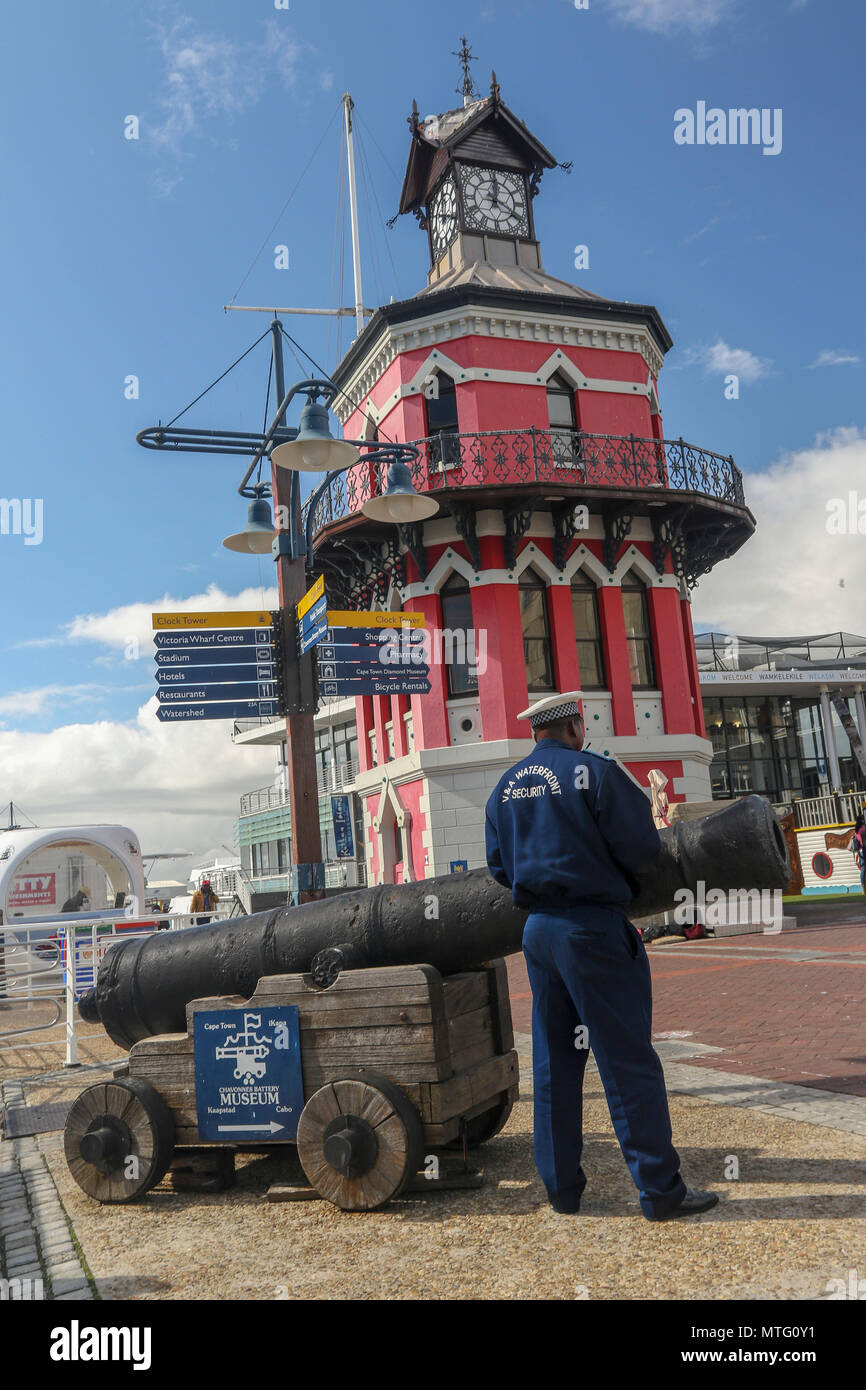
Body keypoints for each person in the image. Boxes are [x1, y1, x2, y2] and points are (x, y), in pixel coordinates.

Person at [485, 690, 718, 1222]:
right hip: (592, 928)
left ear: (534, 733)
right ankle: (660, 1192)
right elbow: (643, 849)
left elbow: (499, 867)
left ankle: (563, 1191)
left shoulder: (503, 789)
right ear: (574, 726)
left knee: (554, 1064)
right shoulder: (595, 773)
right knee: (627, 1062)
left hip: (538, 933)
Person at [852, 810, 866, 894]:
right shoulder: (864, 828)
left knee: (863, 869)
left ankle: (863, 888)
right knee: (864, 868)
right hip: (864, 849)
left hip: (860, 850)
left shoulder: (856, 830)